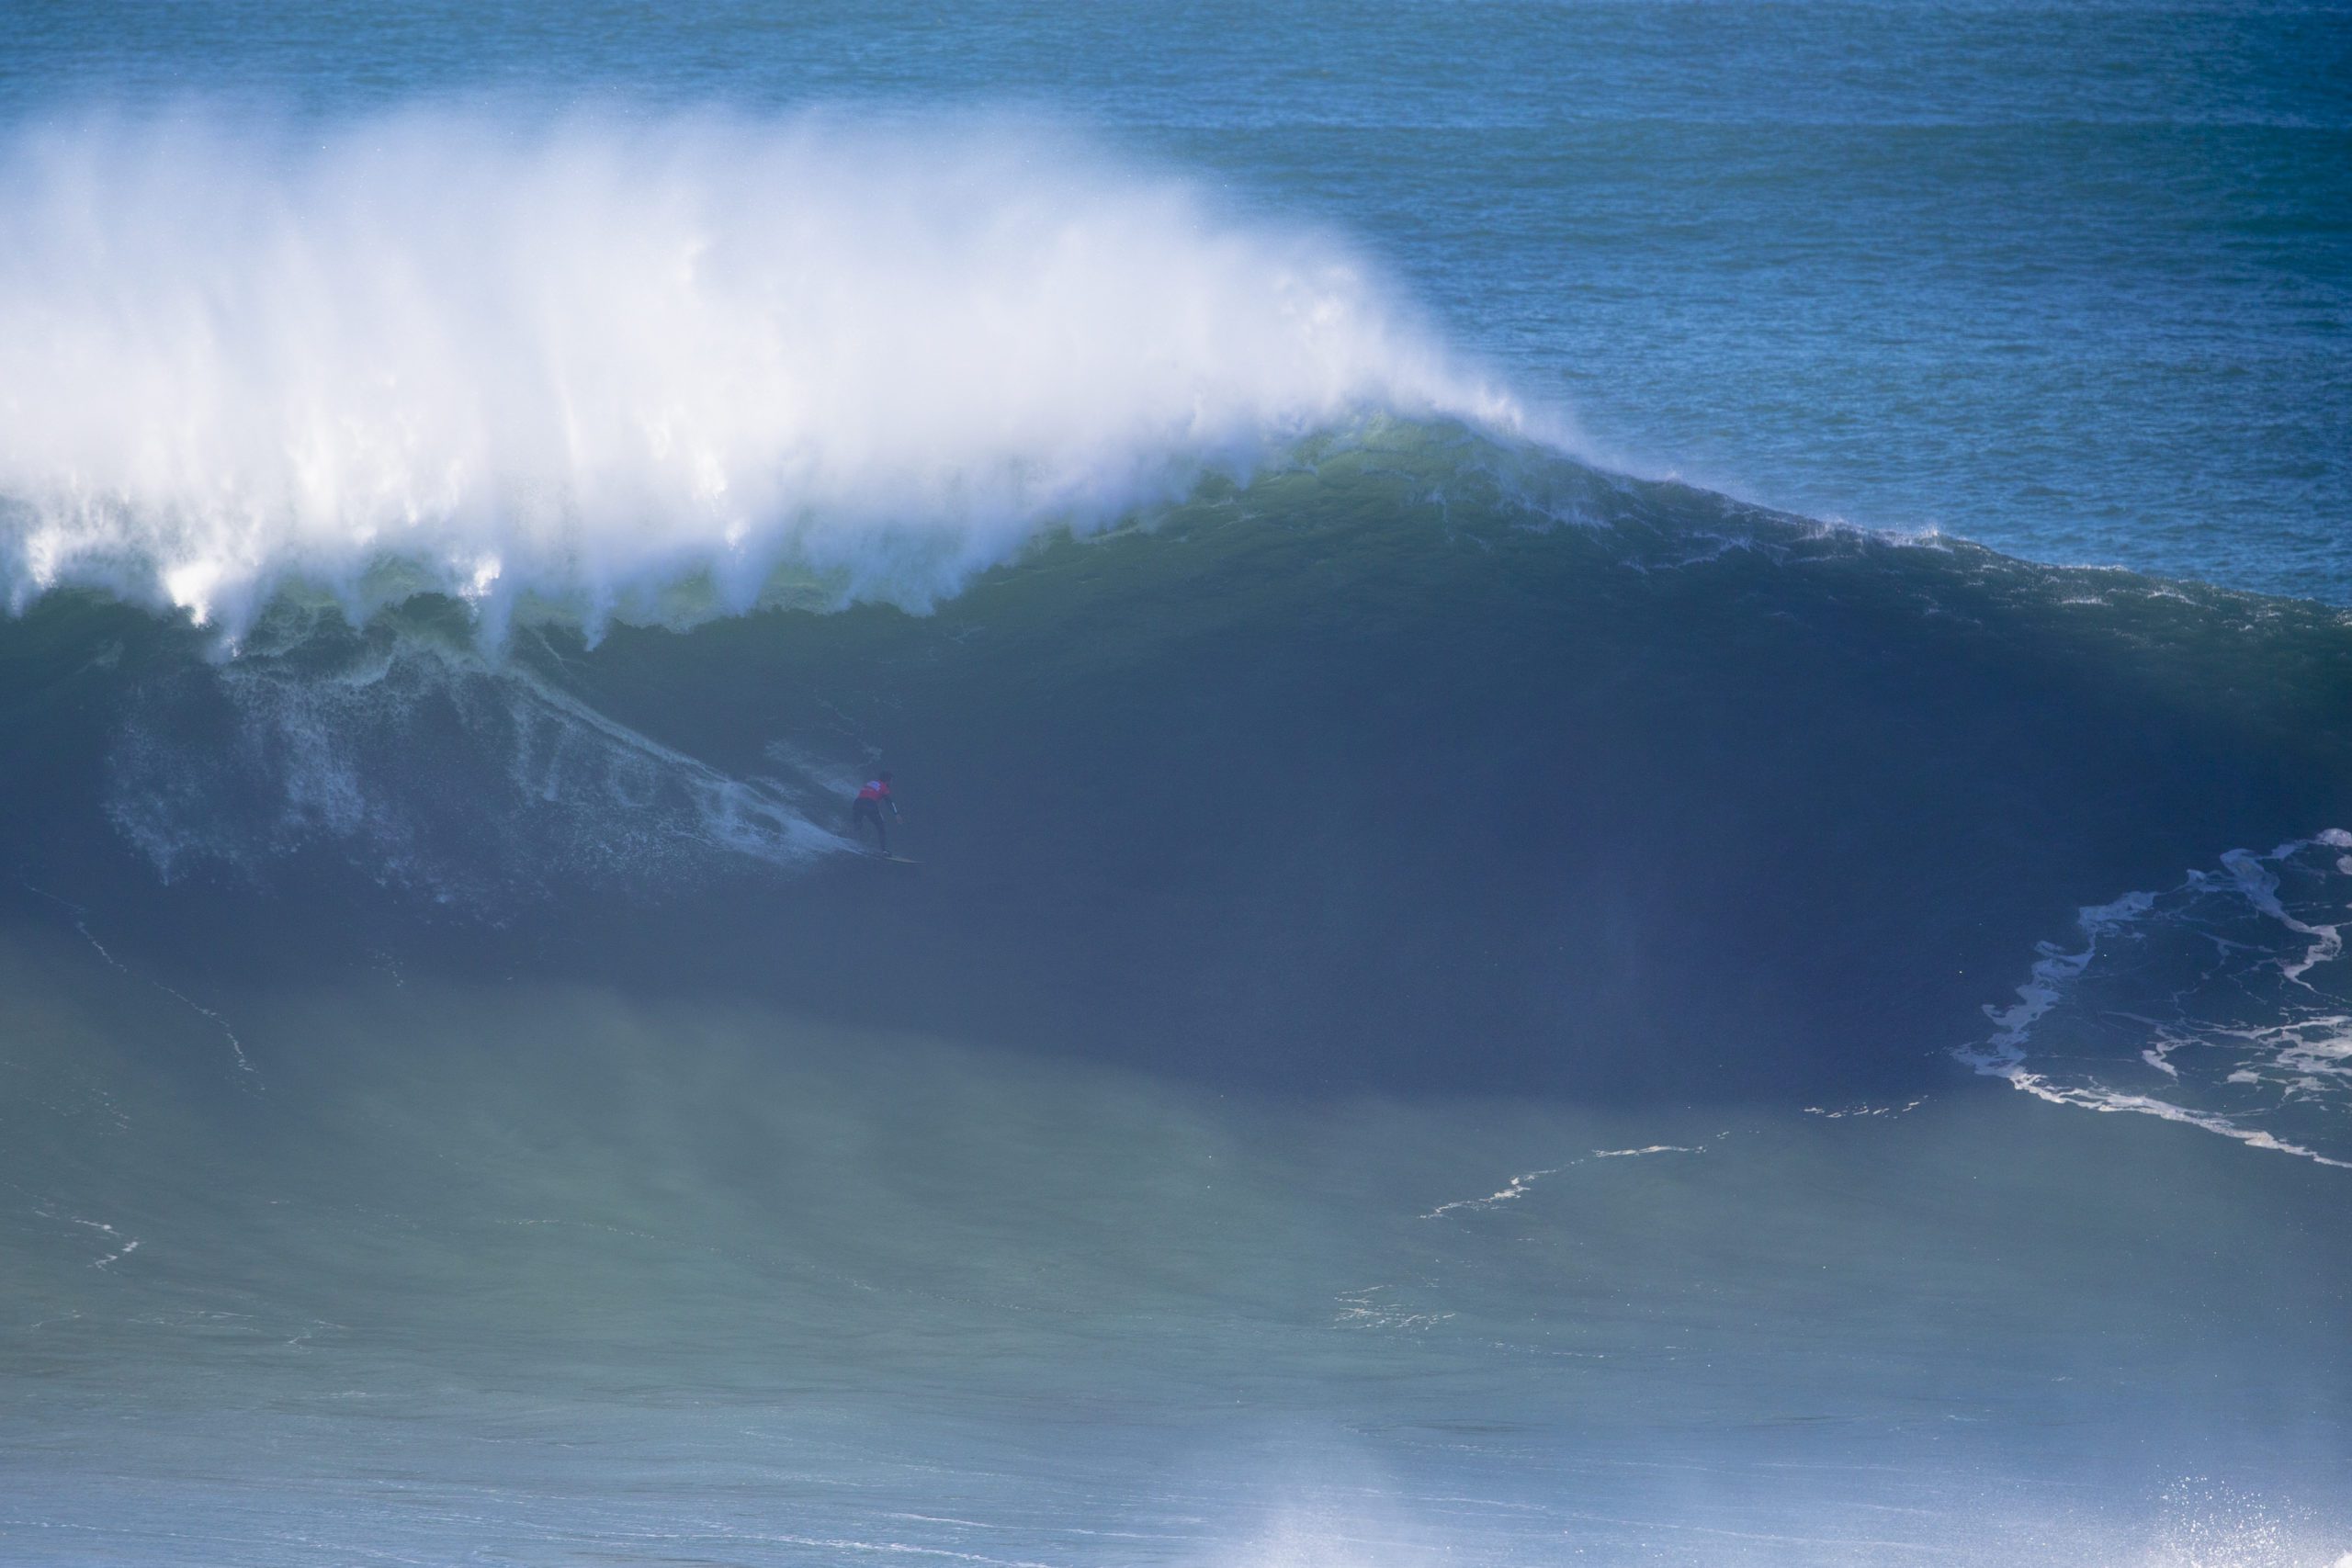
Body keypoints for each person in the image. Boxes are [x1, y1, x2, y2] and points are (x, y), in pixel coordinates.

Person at [851, 771, 901, 855]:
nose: (891, 783)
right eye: (891, 780)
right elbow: (889, 802)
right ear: (887, 780)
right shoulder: (884, 787)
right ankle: (884, 851)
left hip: (857, 803)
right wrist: (896, 813)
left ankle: (854, 843)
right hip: (870, 804)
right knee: (881, 826)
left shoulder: (870, 782)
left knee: (858, 824)